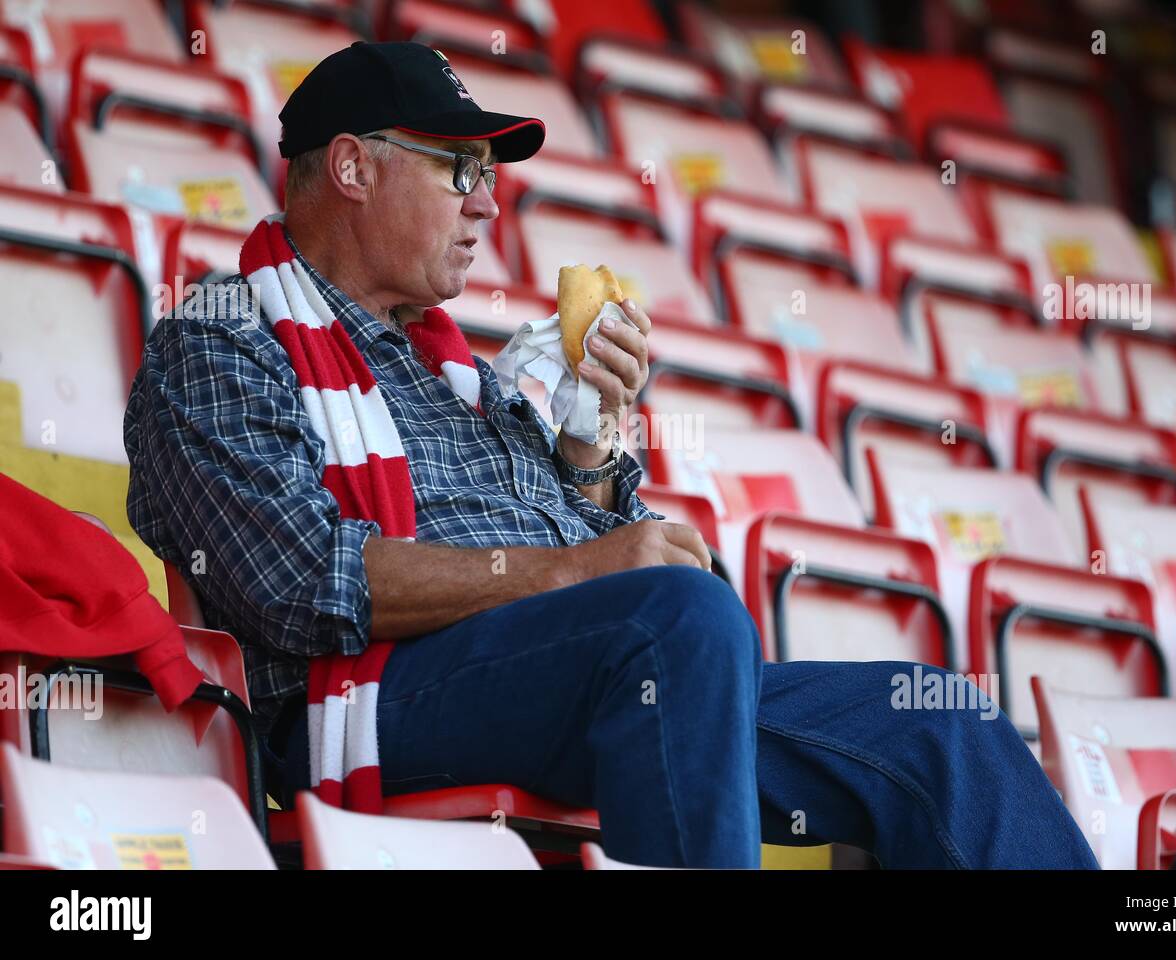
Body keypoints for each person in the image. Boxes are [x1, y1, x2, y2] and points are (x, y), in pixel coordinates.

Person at [124, 41, 1098, 869]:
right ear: (351, 167)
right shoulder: (220, 335)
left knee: (941, 719)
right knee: (675, 620)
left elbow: (601, 551)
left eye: (490, 177)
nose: (487, 206)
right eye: (460, 170)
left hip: (604, 668)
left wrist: (593, 440)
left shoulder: (463, 372)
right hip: (374, 698)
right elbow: (301, 580)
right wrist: (583, 570)